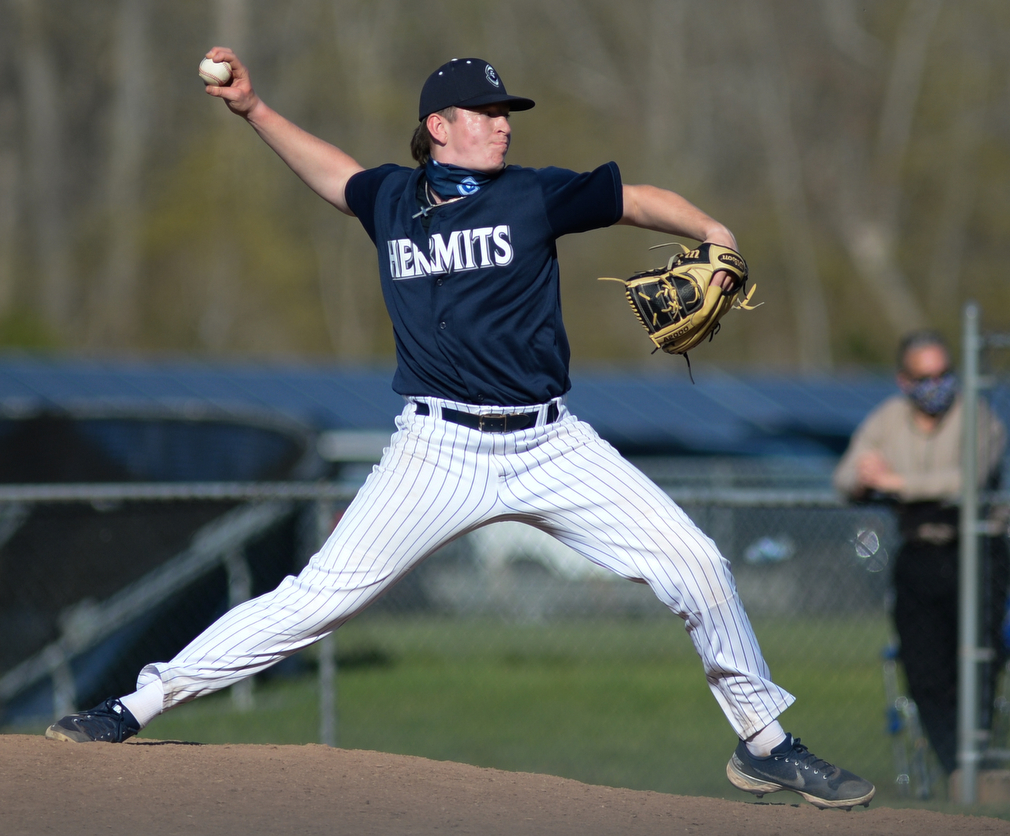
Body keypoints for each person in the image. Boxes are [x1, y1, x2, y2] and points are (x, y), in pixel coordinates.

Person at [45, 47, 874, 809]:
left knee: (696, 564)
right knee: (313, 603)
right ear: (439, 127)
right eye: (486, 112)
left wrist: (712, 232)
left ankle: (764, 742)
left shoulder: (533, 192)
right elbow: (336, 178)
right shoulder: (394, 200)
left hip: (552, 443)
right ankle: (137, 702)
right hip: (437, 449)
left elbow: (633, 198)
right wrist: (255, 110)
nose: (503, 123)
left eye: (506, 111)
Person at [834, 330, 1009, 774]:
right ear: (904, 380)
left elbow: (966, 481)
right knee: (923, 668)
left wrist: (897, 483)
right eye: (924, 376)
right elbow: (847, 476)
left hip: (975, 553)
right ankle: (957, 767)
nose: (937, 385)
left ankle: (978, 753)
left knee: (977, 659)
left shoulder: (978, 417)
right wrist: (864, 478)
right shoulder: (888, 418)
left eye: (944, 374)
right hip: (919, 556)